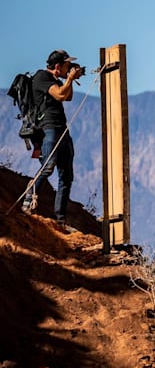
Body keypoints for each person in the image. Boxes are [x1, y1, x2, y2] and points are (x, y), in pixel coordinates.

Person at [25, 49, 83, 231]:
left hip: (62, 129)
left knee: (66, 176)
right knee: (48, 166)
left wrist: (70, 79)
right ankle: (28, 199)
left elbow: (68, 96)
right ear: (57, 66)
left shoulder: (57, 80)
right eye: (67, 65)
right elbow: (58, 94)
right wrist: (70, 78)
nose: (69, 68)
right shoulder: (41, 77)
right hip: (48, 128)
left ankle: (61, 219)